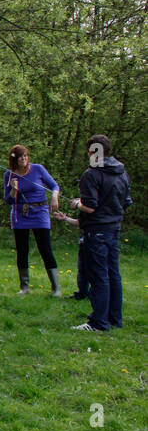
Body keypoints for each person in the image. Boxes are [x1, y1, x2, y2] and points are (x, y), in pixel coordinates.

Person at [70, 135, 131, 332]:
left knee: (99, 276)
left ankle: (98, 322)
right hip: (114, 228)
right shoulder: (121, 173)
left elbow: (90, 207)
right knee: (113, 274)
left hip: (96, 231)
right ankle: (114, 319)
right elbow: (126, 202)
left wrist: (77, 203)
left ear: (92, 151)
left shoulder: (91, 174)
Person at [3, 145, 61, 295]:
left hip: (40, 212)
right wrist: (14, 189)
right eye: (21, 156)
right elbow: (8, 200)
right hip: (19, 214)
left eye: (26, 156)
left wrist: (54, 196)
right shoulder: (9, 175)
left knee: (45, 249)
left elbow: (54, 185)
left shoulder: (38, 169)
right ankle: (25, 287)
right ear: (14, 158)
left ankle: (56, 288)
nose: (24, 159)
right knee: (22, 250)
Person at [54, 208, 89, 299]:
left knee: (95, 270)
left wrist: (79, 204)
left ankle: (97, 295)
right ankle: (82, 293)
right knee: (82, 269)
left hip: (94, 240)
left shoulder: (95, 202)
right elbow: (81, 222)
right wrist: (65, 218)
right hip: (84, 240)